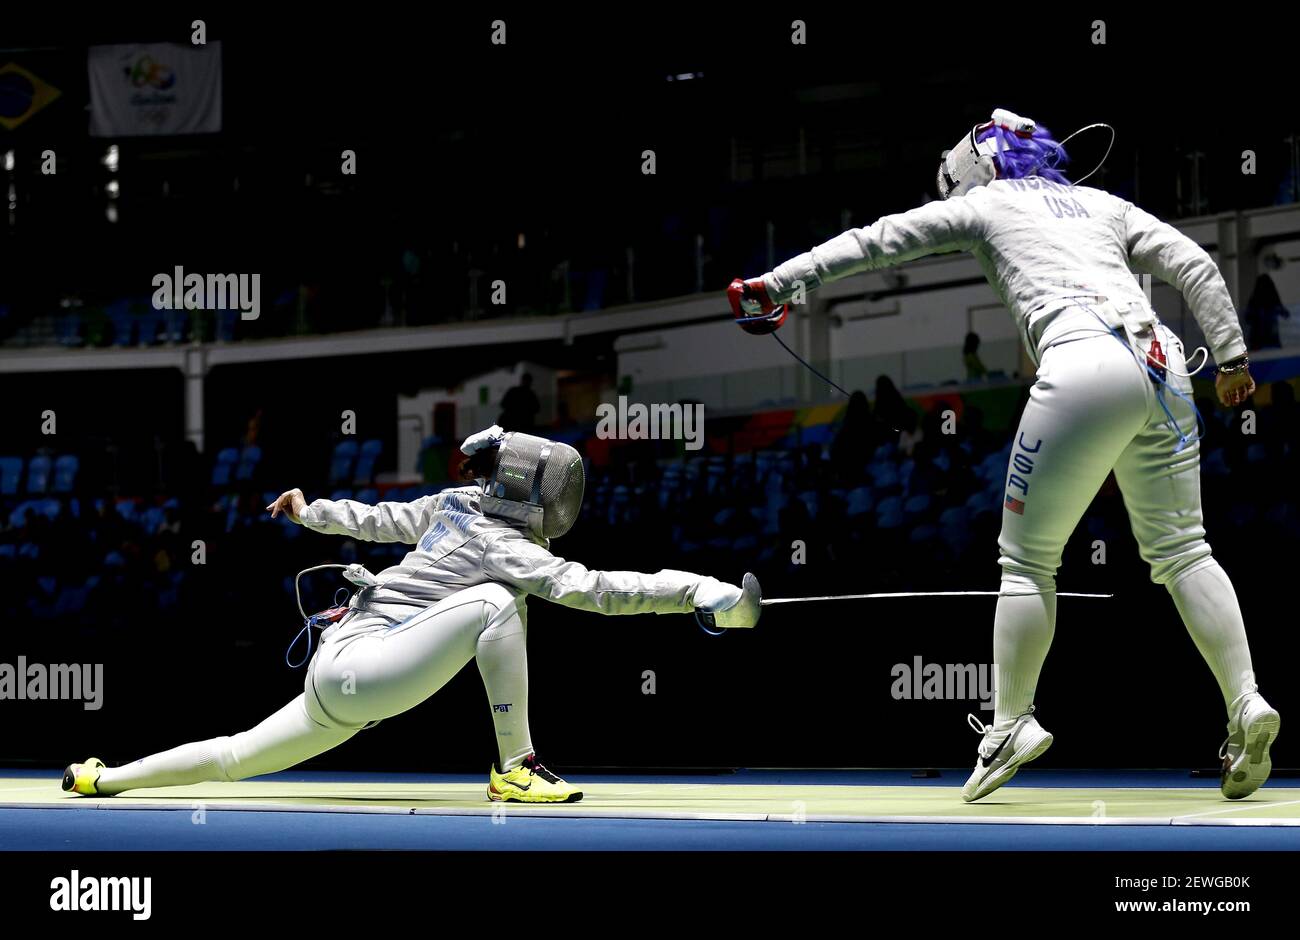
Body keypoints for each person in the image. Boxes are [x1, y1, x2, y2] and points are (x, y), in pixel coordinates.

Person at [728, 108, 1279, 802]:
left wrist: (776, 284)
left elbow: (876, 242)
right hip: (1165, 364)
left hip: (1084, 362)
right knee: (1183, 551)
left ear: (977, 167)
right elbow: (1193, 262)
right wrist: (1230, 356)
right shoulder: (1101, 202)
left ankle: (1011, 723)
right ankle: (1246, 702)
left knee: (1026, 561)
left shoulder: (986, 203)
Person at [62, 427, 760, 803]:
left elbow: (375, 518)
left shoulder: (454, 507)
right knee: (496, 603)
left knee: (234, 755)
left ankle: (104, 777)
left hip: (345, 686)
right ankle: (516, 765)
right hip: (362, 664)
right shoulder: (497, 541)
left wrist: (310, 512)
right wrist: (701, 591)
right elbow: (596, 590)